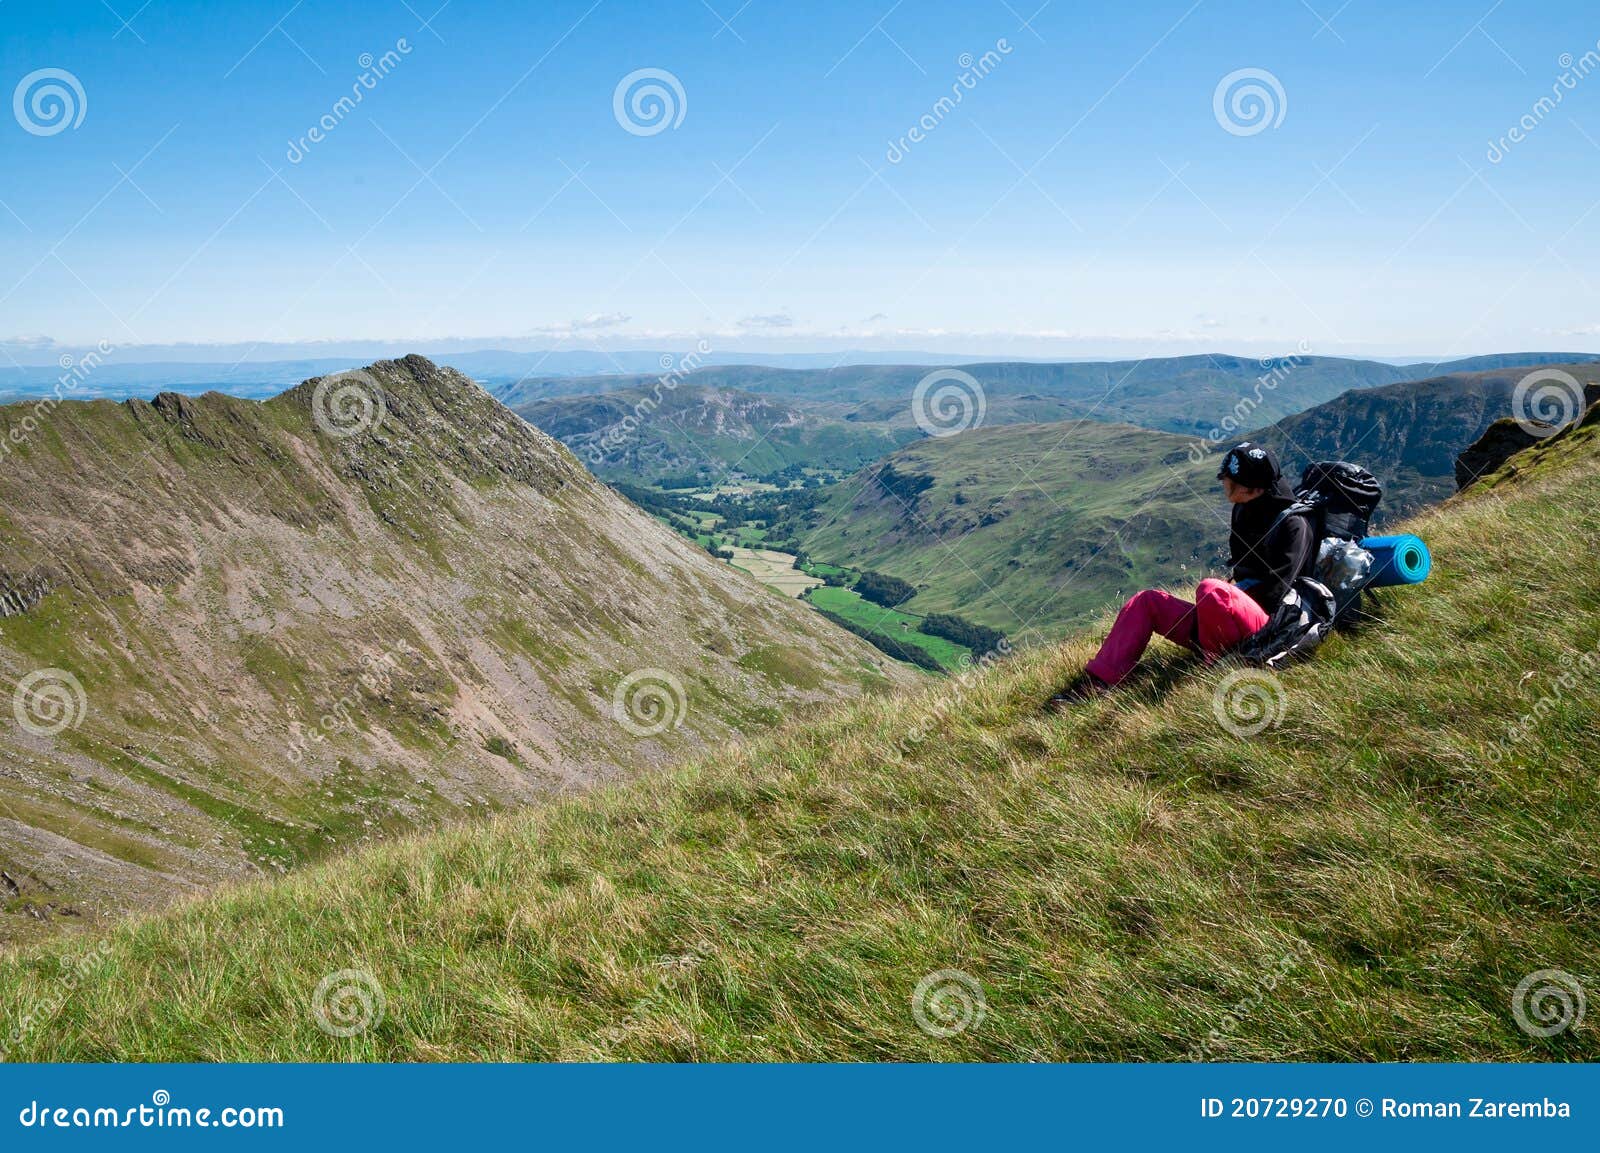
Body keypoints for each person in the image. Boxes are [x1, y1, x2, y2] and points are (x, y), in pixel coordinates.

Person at [1050, 441, 1315, 704]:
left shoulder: (1294, 525)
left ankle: (1215, 669)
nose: (1223, 483)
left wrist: (1227, 599)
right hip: (1226, 622)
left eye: (1229, 479)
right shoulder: (1243, 510)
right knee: (1147, 601)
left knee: (1211, 590)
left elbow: (1276, 595)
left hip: (1266, 632)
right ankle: (1100, 682)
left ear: (1251, 489)